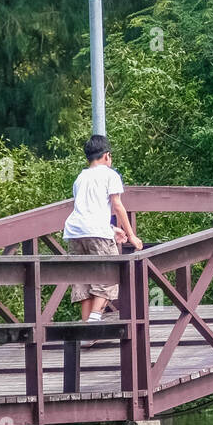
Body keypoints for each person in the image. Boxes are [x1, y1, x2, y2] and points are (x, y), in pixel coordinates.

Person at [64, 135, 143, 333]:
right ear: (107, 155)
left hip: (74, 232)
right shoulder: (110, 175)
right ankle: (94, 322)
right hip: (96, 231)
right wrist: (131, 235)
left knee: (83, 279)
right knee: (109, 274)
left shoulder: (80, 178)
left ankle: (85, 330)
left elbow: (87, 210)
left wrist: (112, 229)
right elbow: (117, 205)